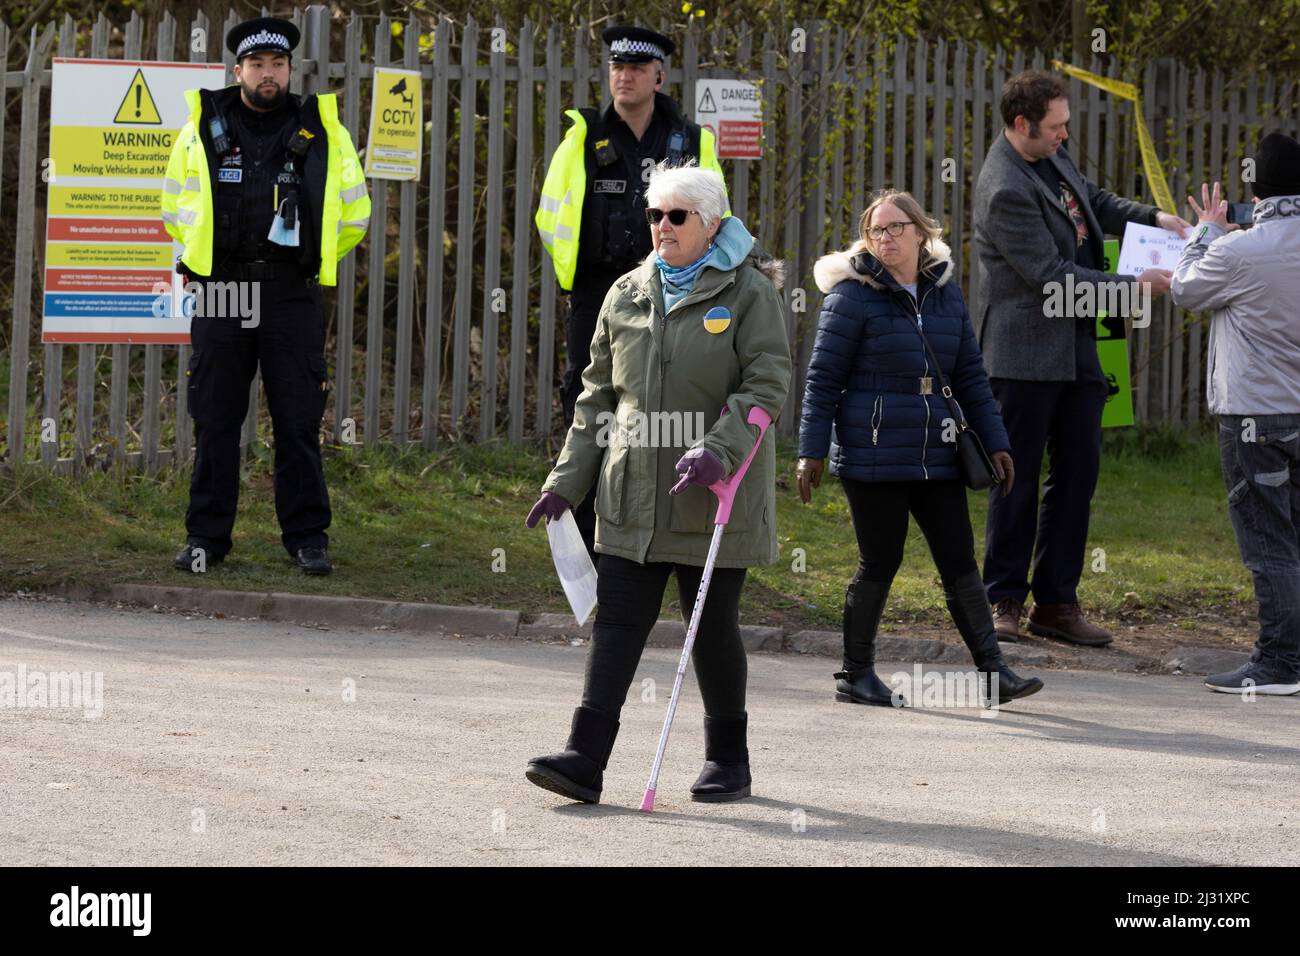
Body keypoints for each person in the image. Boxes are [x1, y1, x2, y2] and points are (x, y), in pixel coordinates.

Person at [523, 162, 791, 804]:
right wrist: (566, 483)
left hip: (713, 495)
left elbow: (766, 386)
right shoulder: (627, 292)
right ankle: (584, 759)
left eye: (678, 216)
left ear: (713, 223)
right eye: (654, 215)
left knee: (712, 630)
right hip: (633, 493)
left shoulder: (749, 292)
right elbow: (597, 400)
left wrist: (719, 452)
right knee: (615, 626)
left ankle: (729, 759)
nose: (662, 227)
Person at [797, 190, 1042, 707]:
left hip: (939, 450)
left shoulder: (945, 292)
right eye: (875, 230)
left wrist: (996, 441)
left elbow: (971, 374)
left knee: (959, 562)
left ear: (921, 232)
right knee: (878, 562)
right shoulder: (850, 294)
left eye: (895, 227)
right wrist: (810, 450)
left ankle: (995, 671)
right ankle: (855, 674)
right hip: (873, 452)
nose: (884, 237)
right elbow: (822, 380)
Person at [972, 70, 1189, 645]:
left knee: (1077, 474)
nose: (1065, 136)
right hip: (1022, 356)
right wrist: (1133, 287)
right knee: (1014, 479)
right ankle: (1003, 602)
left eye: (1065, 125)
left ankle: (1058, 604)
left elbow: (1092, 202)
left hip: (1078, 350)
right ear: (1023, 125)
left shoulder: (1051, 158)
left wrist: (1154, 218)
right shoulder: (1004, 187)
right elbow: (1049, 279)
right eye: (1056, 127)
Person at [160, 16, 370, 576]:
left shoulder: (321, 130)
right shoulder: (203, 127)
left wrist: (314, 258)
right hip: (222, 288)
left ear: (289, 70)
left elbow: (354, 211)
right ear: (239, 70)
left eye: (277, 64)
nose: (267, 73)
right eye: (257, 64)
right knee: (215, 419)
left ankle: (307, 538)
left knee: (298, 419)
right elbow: (173, 205)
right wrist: (201, 259)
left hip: (288, 293)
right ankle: (206, 538)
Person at [535, 26, 725, 560]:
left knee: (667, 403)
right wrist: (576, 272)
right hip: (599, 292)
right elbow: (551, 215)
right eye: (618, 67)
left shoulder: (690, 140)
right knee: (590, 399)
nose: (626, 76)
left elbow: (717, 216)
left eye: (638, 68)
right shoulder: (583, 136)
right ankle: (590, 522)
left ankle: (665, 522)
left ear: (659, 76)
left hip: (673, 290)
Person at [1170, 131, 1300, 696]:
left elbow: (1182, 289)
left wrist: (1205, 233)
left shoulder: (1238, 251)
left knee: (1270, 541)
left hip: (1256, 418)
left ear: (1256, 188)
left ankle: (1279, 664)